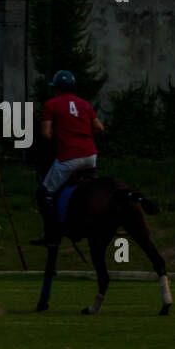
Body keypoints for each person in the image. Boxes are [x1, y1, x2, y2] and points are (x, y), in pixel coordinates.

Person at [32, 70, 103, 247]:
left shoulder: (51, 105)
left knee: (43, 194)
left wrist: (61, 133)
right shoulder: (84, 104)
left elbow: (46, 134)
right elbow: (99, 128)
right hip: (91, 157)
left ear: (56, 88)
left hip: (69, 158)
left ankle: (51, 234)